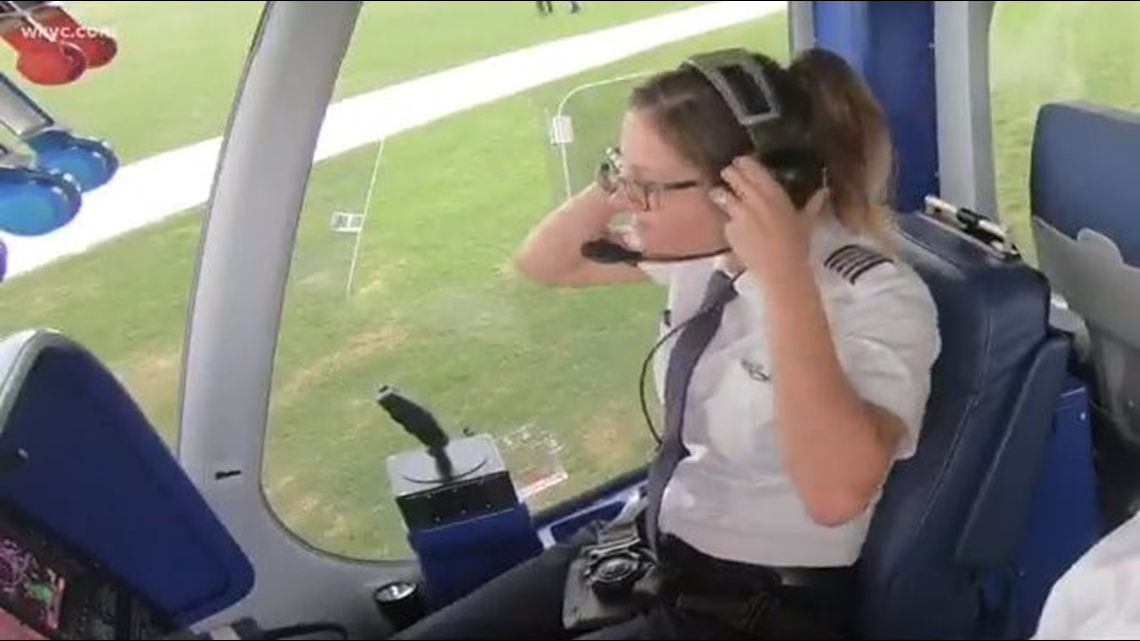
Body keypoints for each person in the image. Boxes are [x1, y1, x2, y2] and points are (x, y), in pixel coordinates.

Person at [393, 46, 941, 640]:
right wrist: (627, 179)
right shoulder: (706, 253)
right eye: (618, 170)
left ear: (762, 188)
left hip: (753, 606)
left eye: (648, 187)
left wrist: (784, 280)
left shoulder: (875, 298)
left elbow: (834, 495)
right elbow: (547, 260)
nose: (628, 202)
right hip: (651, 544)